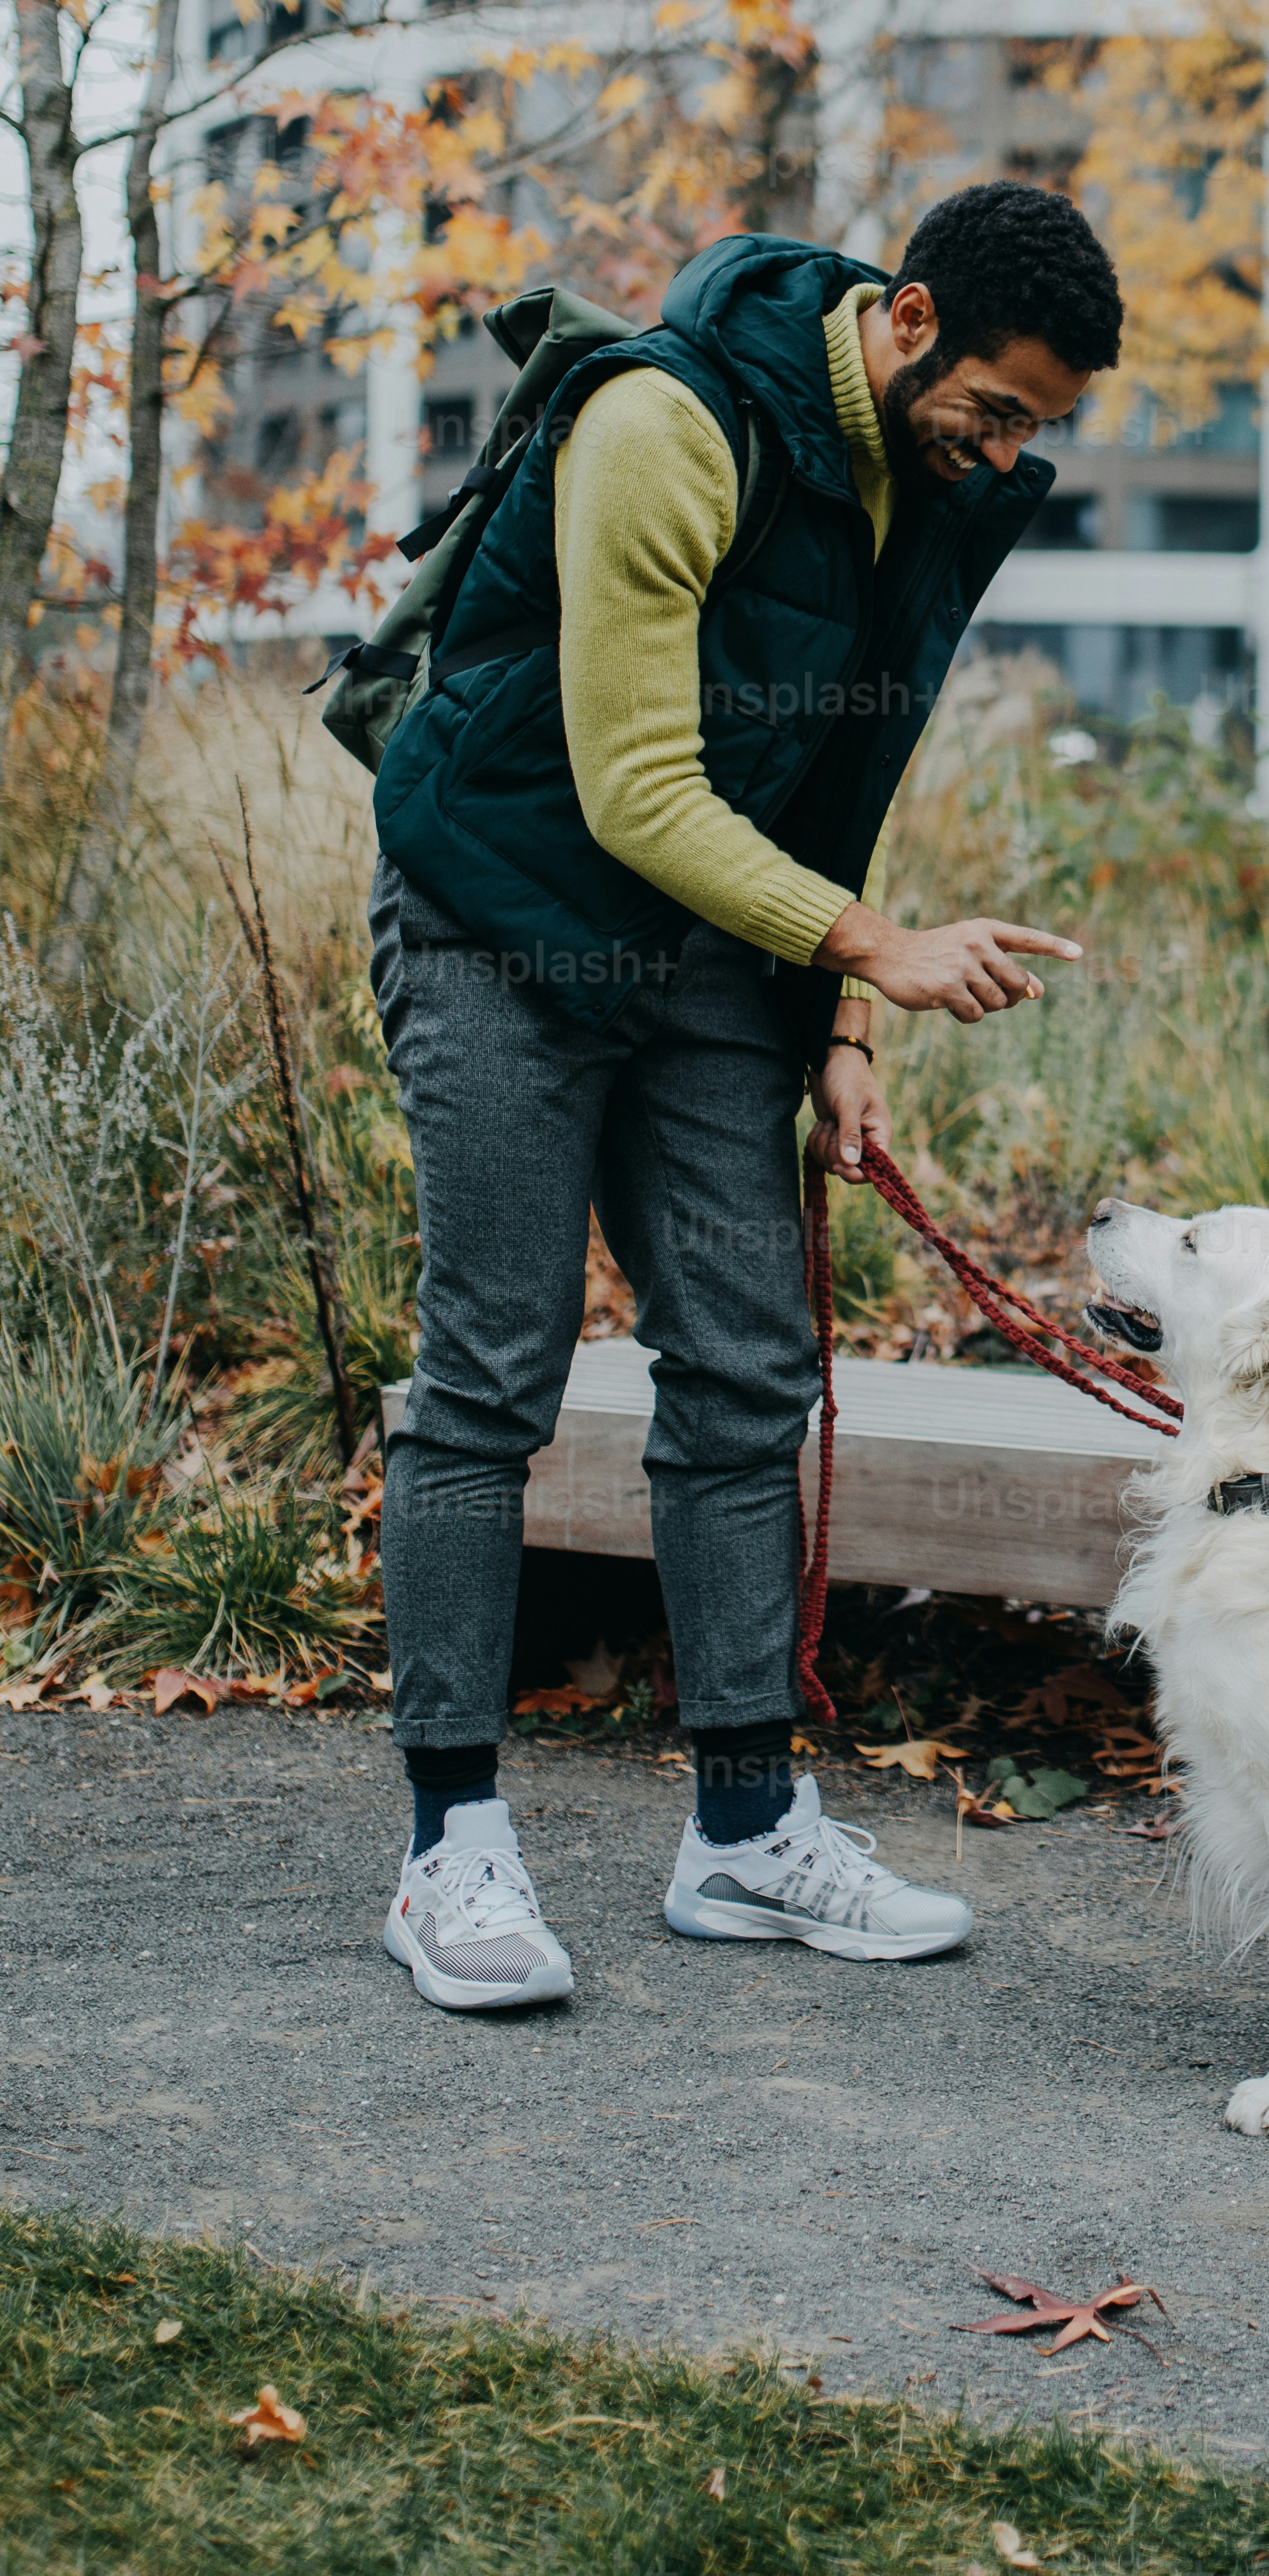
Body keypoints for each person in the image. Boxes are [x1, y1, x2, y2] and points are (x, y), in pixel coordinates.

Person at [364, 180, 1124, 2011]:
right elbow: (634, 789)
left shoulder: (908, 485)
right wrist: (877, 948)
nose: (1008, 451)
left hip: (709, 951)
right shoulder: (661, 423)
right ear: (912, 315)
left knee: (745, 1365)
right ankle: (450, 1849)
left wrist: (843, 1033)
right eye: (1002, 409)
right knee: (492, 1369)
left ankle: (742, 1832)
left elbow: (824, 778)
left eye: (1041, 431)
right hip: (501, 915)